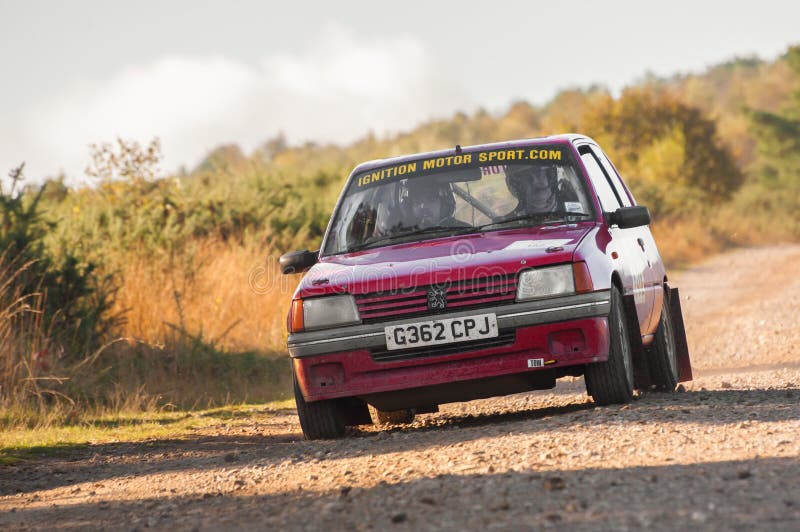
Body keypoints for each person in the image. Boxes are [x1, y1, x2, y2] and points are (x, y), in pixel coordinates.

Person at [505, 164, 578, 217]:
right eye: (527, 177)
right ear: (517, 186)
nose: (534, 182)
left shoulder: (581, 207)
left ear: (552, 177)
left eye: (538, 173)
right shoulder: (506, 225)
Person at [401, 179, 469, 230]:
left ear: (445, 205)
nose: (423, 207)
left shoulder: (465, 232)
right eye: (417, 202)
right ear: (409, 208)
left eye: (431, 200)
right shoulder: (398, 238)